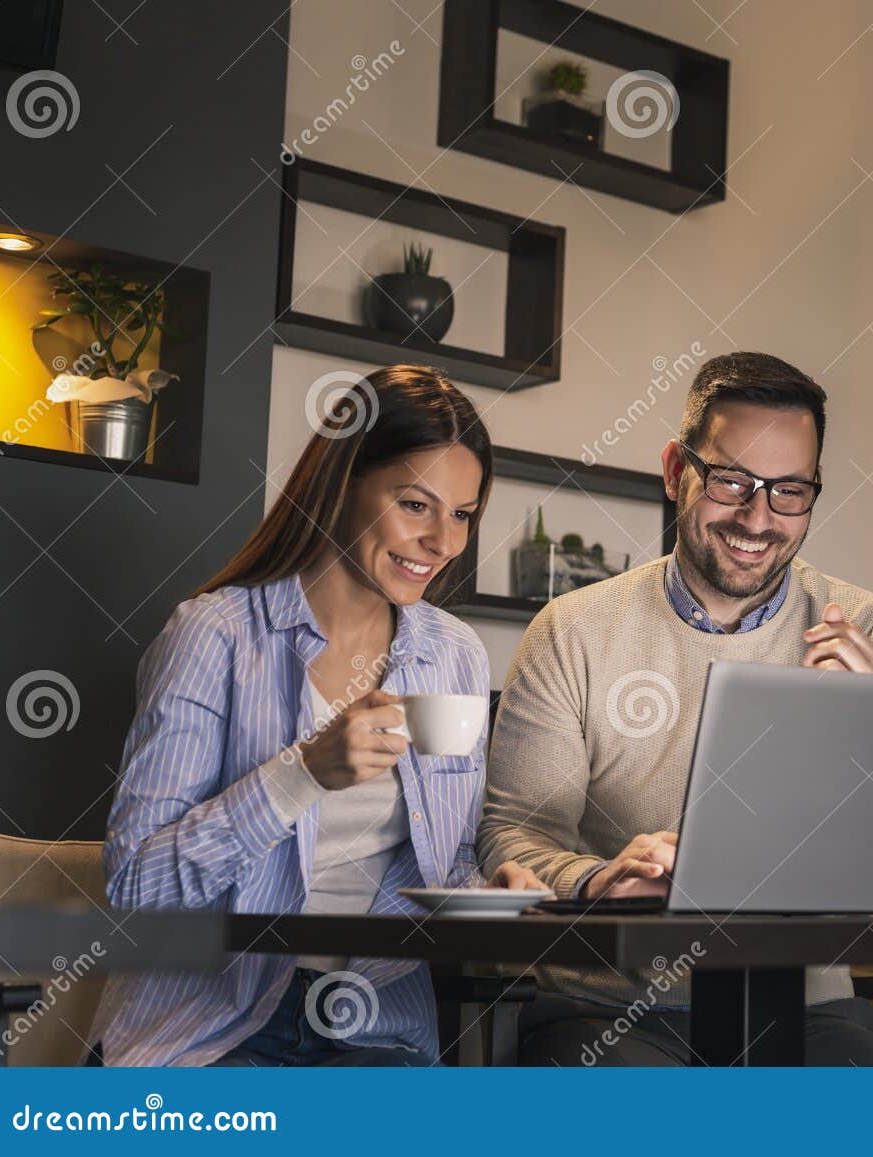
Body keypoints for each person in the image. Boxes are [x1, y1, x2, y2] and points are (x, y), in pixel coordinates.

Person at [89, 365, 544, 1067]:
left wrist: (489, 890)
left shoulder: (452, 653)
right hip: (214, 1028)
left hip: (376, 1028)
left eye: (462, 514)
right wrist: (301, 774)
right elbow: (136, 883)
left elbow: (437, 860)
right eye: (416, 505)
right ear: (343, 483)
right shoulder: (216, 635)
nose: (444, 543)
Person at [481, 351, 873, 1065]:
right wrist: (600, 879)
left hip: (802, 1014)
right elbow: (512, 837)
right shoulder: (571, 629)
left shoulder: (866, 628)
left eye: (788, 491)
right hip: (610, 1010)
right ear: (676, 470)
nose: (757, 516)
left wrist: (859, 736)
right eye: (731, 480)